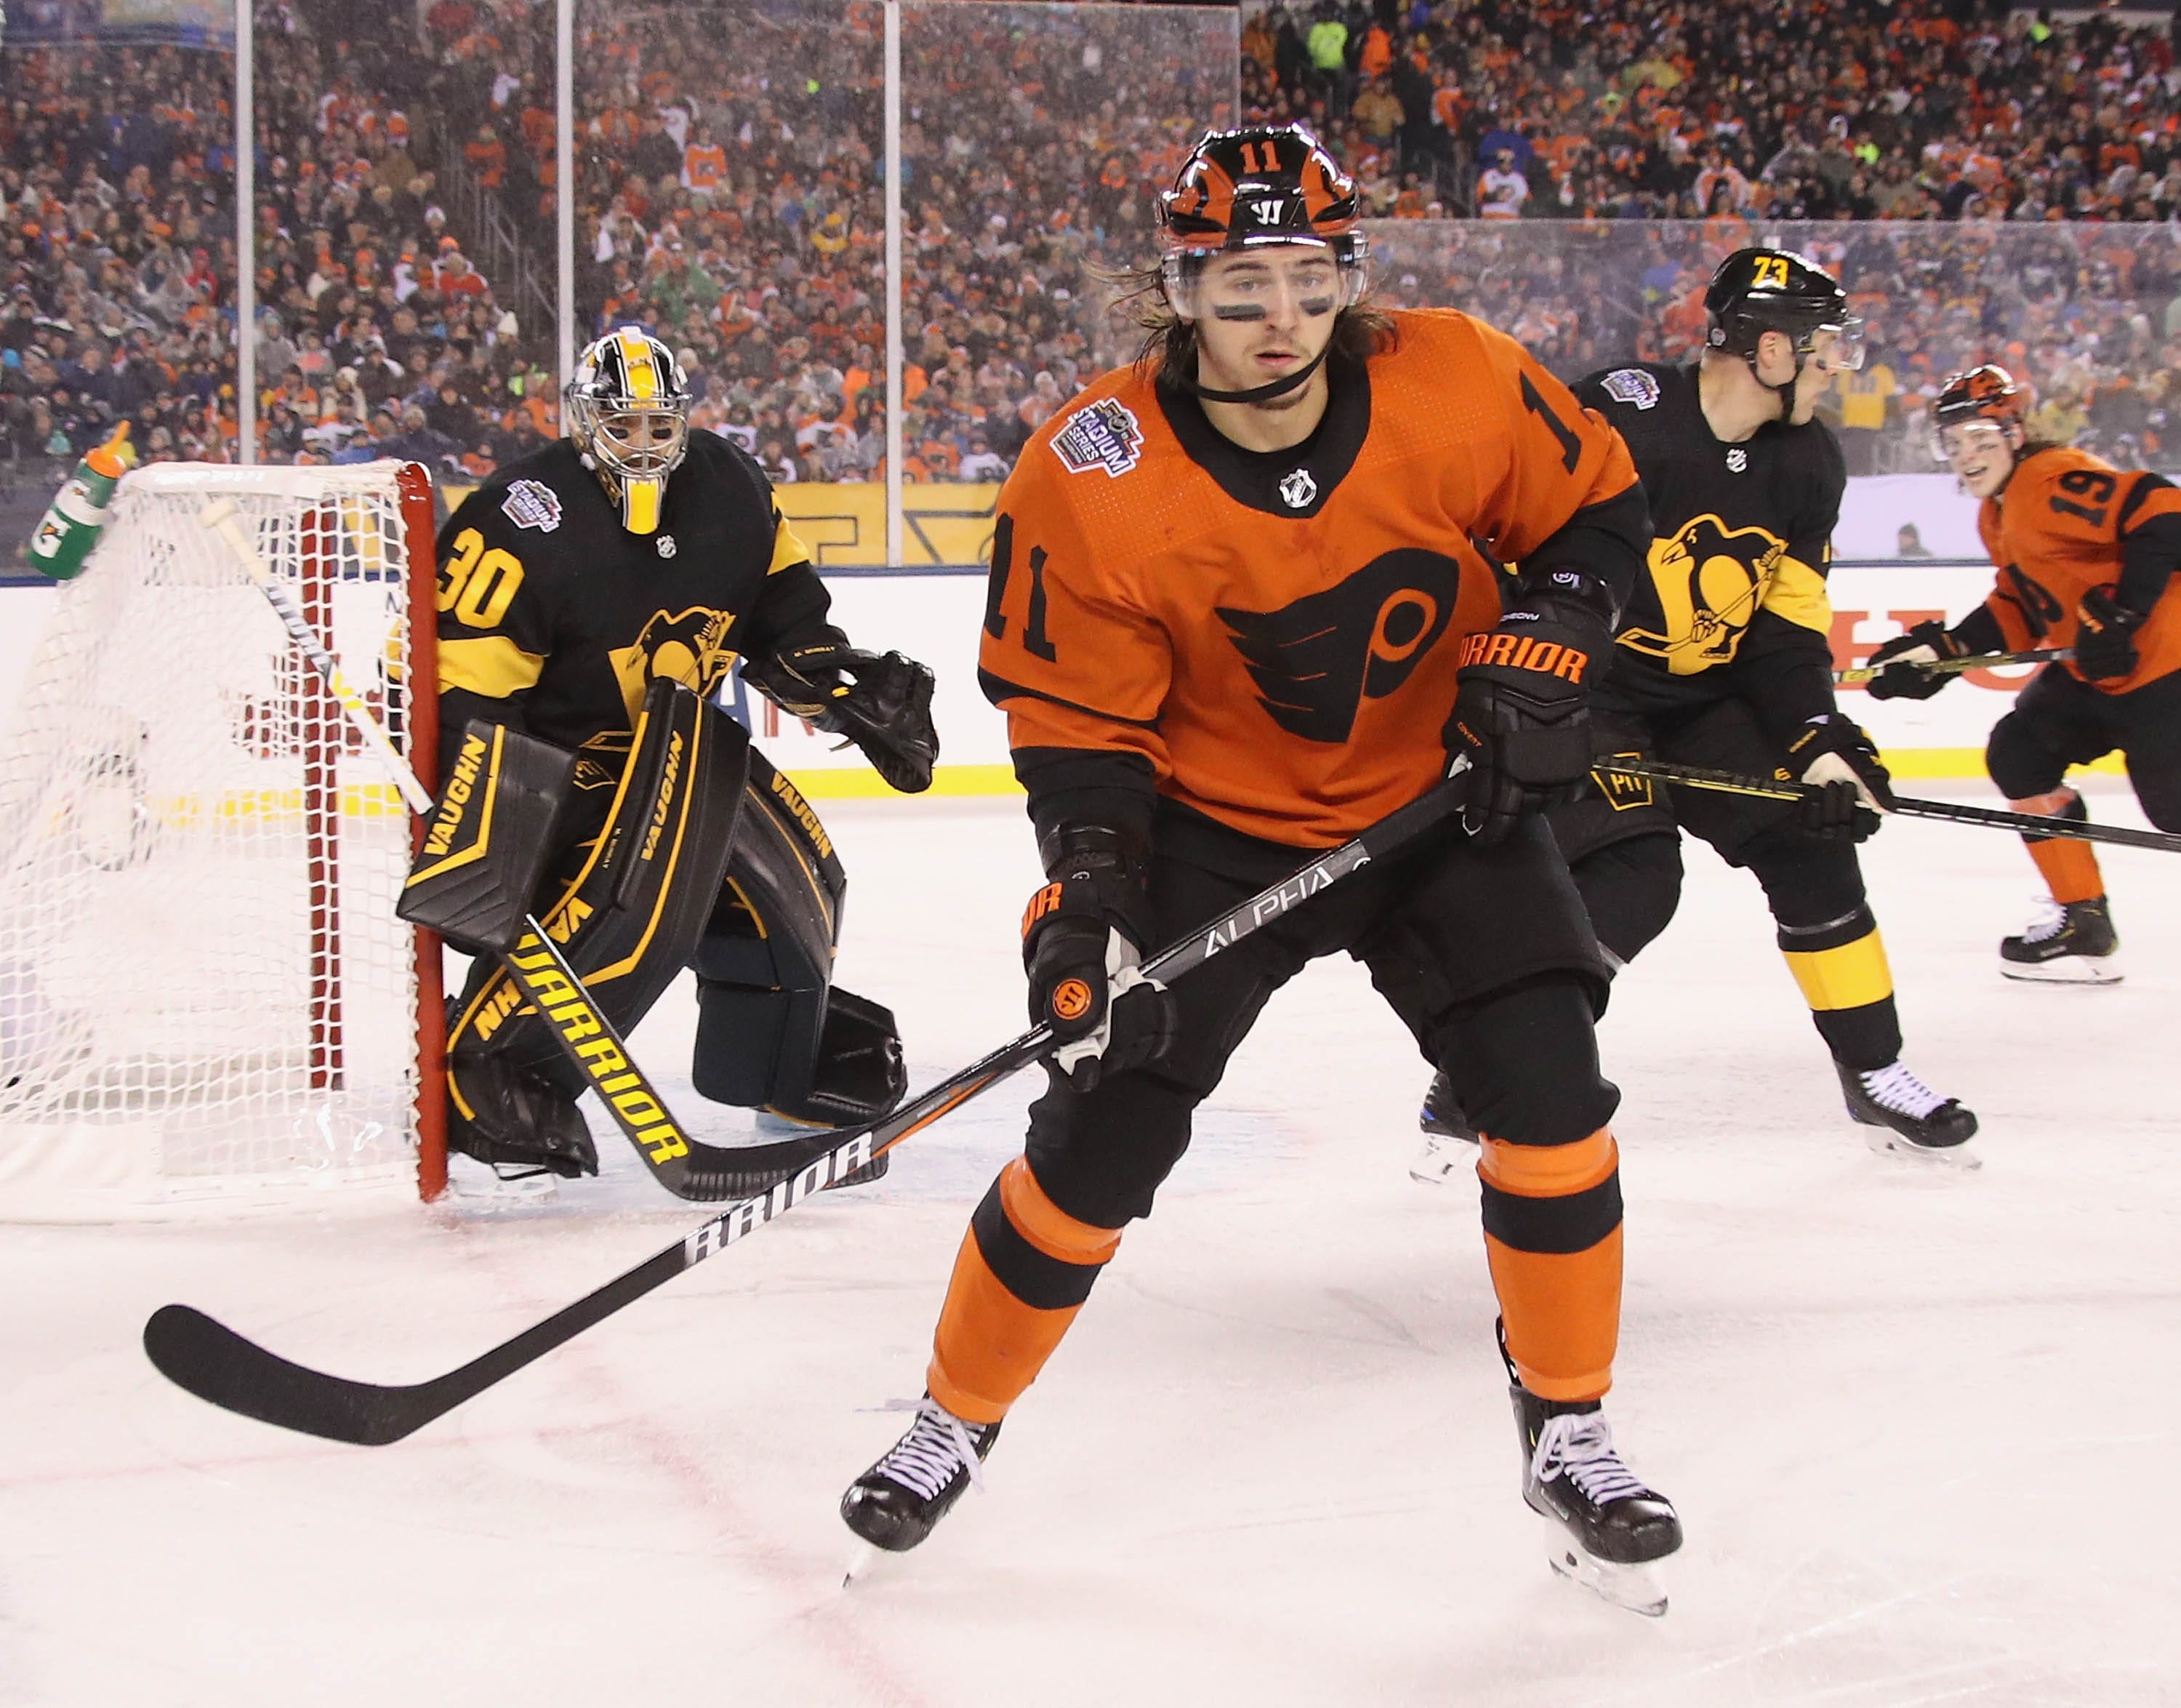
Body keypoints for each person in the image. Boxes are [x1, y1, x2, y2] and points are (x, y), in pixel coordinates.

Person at [838, 124, 1682, 1612]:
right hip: (1207, 834)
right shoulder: (1092, 468)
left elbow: (1598, 515)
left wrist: (1557, 627)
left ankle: (1569, 1422)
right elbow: (1078, 729)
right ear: (1179, 293)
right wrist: (1090, 895)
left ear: (1349, 279)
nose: (1280, 319)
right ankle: (949, 1419)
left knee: (1553, 1096)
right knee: (1095, 1142)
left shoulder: (1459, 376)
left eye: (1308, 279)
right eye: (1241, 288)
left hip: (1437, 812)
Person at [1415, 249, 1978, 1179]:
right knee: (1634, 878)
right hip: (1584, 692)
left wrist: (1819, 743)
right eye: (1824, 345)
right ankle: (1482, 1075)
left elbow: (1787, 632)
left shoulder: (1810, 461)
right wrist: (1504, 687)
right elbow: (1501, 538)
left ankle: (1875, 1071)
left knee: (1811, 841)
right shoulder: (1624, 414)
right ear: (1767, 346)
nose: (1838, 364)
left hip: (1706, 697)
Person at [430, 326, 941, 1187]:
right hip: (554, 779)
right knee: (642, 899)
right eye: (620, 425)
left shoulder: (733, 487)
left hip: (678, 751)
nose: (640, 445)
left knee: (804, 880)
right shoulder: (522, 517)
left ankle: (781, 1067)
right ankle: (494, 1061)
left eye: (657, 426)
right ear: (582, 420)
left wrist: (845, 693)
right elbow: (469, 695)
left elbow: (786, 619)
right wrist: (481, 836)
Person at [1865, 364, 2181, 982]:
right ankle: (2083, 917)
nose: (1967, 455)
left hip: (2167, 670)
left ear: (2014, 434)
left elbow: (2163, 507)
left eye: (1982, 439)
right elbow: (2019, 604)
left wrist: (2123, 613)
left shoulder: (2045, 478)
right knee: (2021, 751)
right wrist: (1946, 653)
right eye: (1954, 444)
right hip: (2099, 679)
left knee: (2174, 811)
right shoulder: (1998, 511)